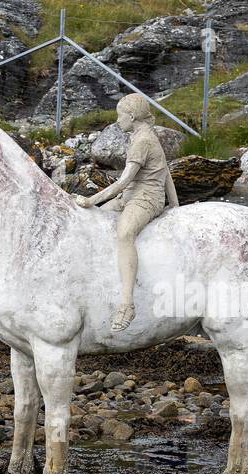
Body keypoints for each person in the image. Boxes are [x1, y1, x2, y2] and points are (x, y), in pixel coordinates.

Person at [73, 93, 180, 332]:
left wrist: (91, 199)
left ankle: (127, 303)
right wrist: (175, 205)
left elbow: (123, 181)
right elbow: (166, 171)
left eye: (120, 116)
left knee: (124, 233)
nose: (117, 121)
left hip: (145, 199)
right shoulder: (141, 136)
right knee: (95, 220)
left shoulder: (144, 140)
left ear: (131, 116)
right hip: (129, 196)